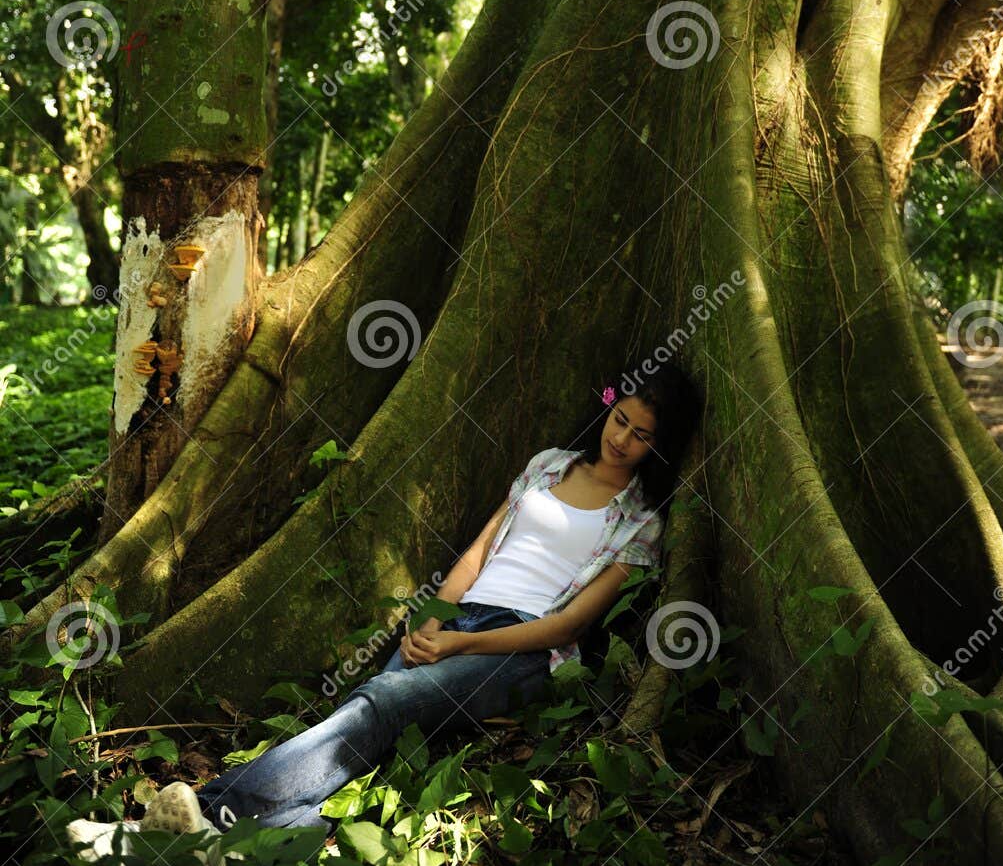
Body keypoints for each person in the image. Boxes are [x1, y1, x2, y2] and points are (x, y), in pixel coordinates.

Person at [144, 359, 702, 841]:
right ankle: (246, 845)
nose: (621, 439)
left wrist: (462, 643)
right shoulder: (549, 464)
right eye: (620, 419)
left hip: (522, 649)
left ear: (659, 445)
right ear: (608, 406)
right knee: (373, 733)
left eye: (641, 434)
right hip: (460, 615)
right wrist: (433, 621)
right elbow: (478, 553)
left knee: (384, 701)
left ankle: (211, 809)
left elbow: (569, 626)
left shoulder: (640, 523)